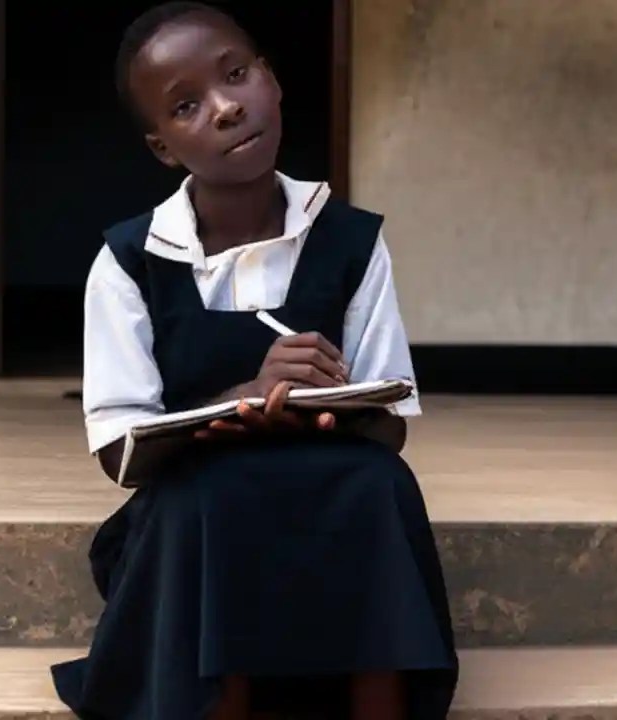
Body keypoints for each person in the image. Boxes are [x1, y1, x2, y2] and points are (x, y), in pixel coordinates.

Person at [51, 3, 458, 718]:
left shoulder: (351, 241)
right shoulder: (129, 261)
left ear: (270, 79)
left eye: (236, 75)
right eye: (186, 106)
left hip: (322, 477)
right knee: (214, 498)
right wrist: (244, 395)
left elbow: (390, 423)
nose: (226, 108)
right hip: (193, 500)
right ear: (163, 147)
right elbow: (121, 456)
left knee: (378, 483)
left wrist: (333, 402)